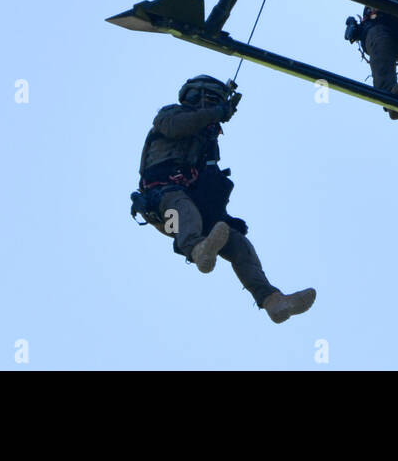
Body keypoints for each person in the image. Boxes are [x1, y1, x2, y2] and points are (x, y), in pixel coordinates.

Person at [132, 75, 317, 323]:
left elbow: (210, 185)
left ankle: (273, 300)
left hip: (192, 209)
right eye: (212, 101)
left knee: (238, 243)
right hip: (164, 206)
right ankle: (198, 251)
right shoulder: (169, 116)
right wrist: (215, 113)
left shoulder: (207, 144)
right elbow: (177, 127)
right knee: (182, 208)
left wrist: (224, 219)